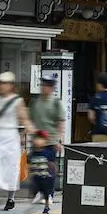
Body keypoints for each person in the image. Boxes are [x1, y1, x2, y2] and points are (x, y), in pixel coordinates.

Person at [0, 71, 32, 212]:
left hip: (11, 135)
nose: (1, 86)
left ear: (10, 85)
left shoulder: (17, 101)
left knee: (11, 167)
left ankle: (11, 198)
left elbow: (24, 119)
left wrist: (26, 133)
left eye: (4, 83)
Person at [28, 73, 64, 205]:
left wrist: (58, 140)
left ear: (52, 88)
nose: (44, 88)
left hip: (50, 141)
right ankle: (38, 192)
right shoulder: (35, 102)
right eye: (43, 85)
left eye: (47, 85)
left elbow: (60, 123)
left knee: (48, 169)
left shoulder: (56, 103)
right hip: (36, 141)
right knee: (36, 169)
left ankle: (49, 194)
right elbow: (30, 120)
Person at [28, 131, 55, 214]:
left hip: (45, 176)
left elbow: (51, 164)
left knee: (46, 192)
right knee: (34, 188)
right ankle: (36, 195)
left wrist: (51, 173)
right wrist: (29, 172)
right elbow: (29, 163)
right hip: (35, 176)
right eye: (36, 139)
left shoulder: (47, 153)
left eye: (41, 139)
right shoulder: (32, 153)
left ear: (45, 141)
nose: (38, 141)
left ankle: (46, 206)